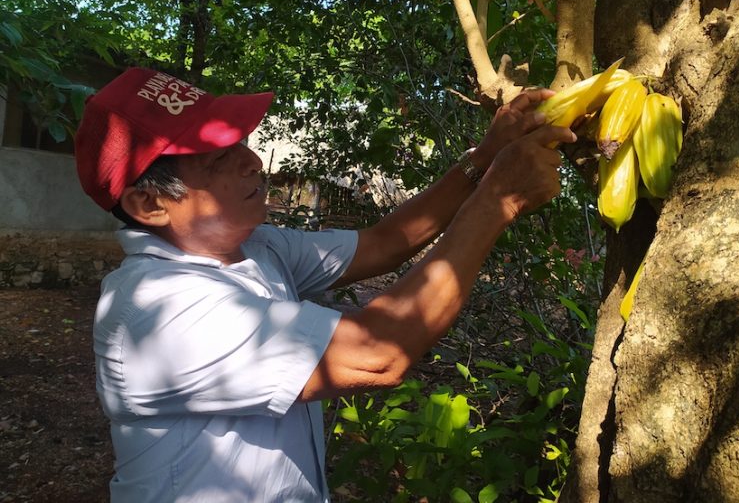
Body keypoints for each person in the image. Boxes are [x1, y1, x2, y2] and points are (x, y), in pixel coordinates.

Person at [74, 67, 575, 503]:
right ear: (150, 205)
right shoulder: (160, 312)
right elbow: (380, 354)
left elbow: (384, 242)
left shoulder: (254, 248)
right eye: (216, 160)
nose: (251, 160)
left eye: (237, 143)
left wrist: (485, 157)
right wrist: (498, 202)